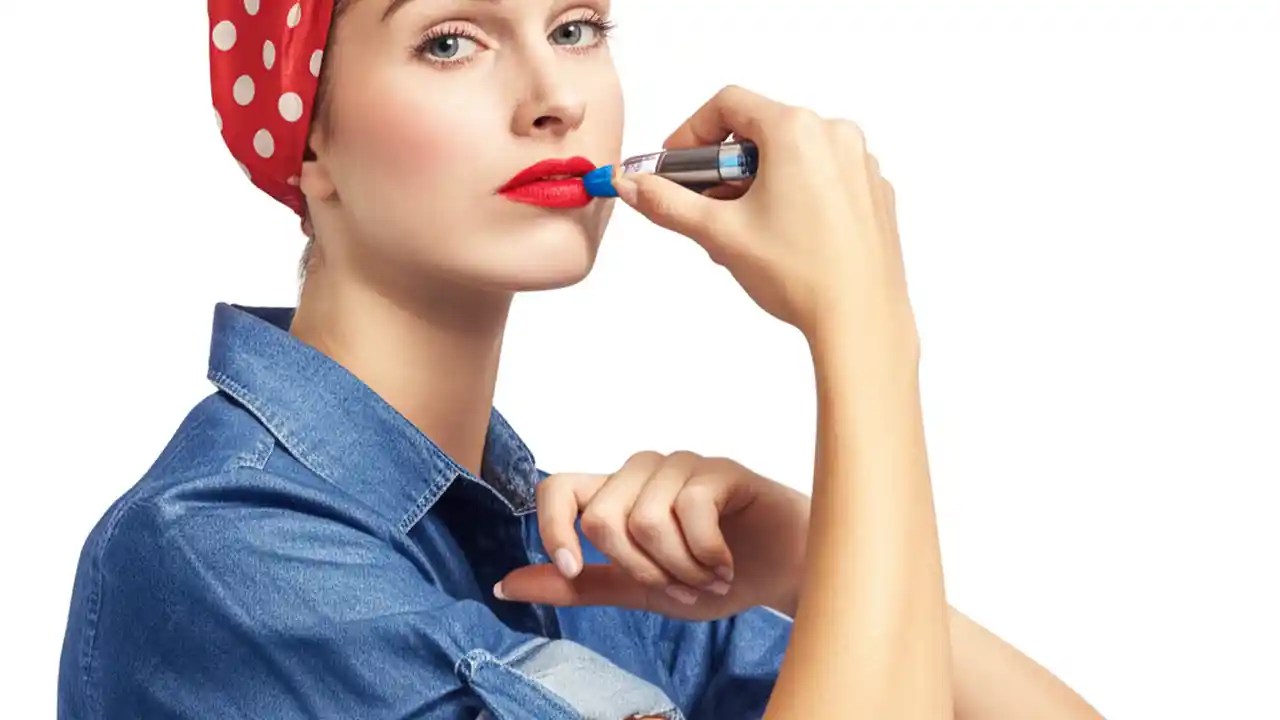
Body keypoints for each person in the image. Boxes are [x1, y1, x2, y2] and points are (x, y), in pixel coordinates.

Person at [57, 0, 1103, 718]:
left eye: (575, 26)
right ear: (309, 135)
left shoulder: (577, 576)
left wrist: (797, 556)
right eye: (450, 41)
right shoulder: (218, 554)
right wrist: (865, 335)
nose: (554, 97)